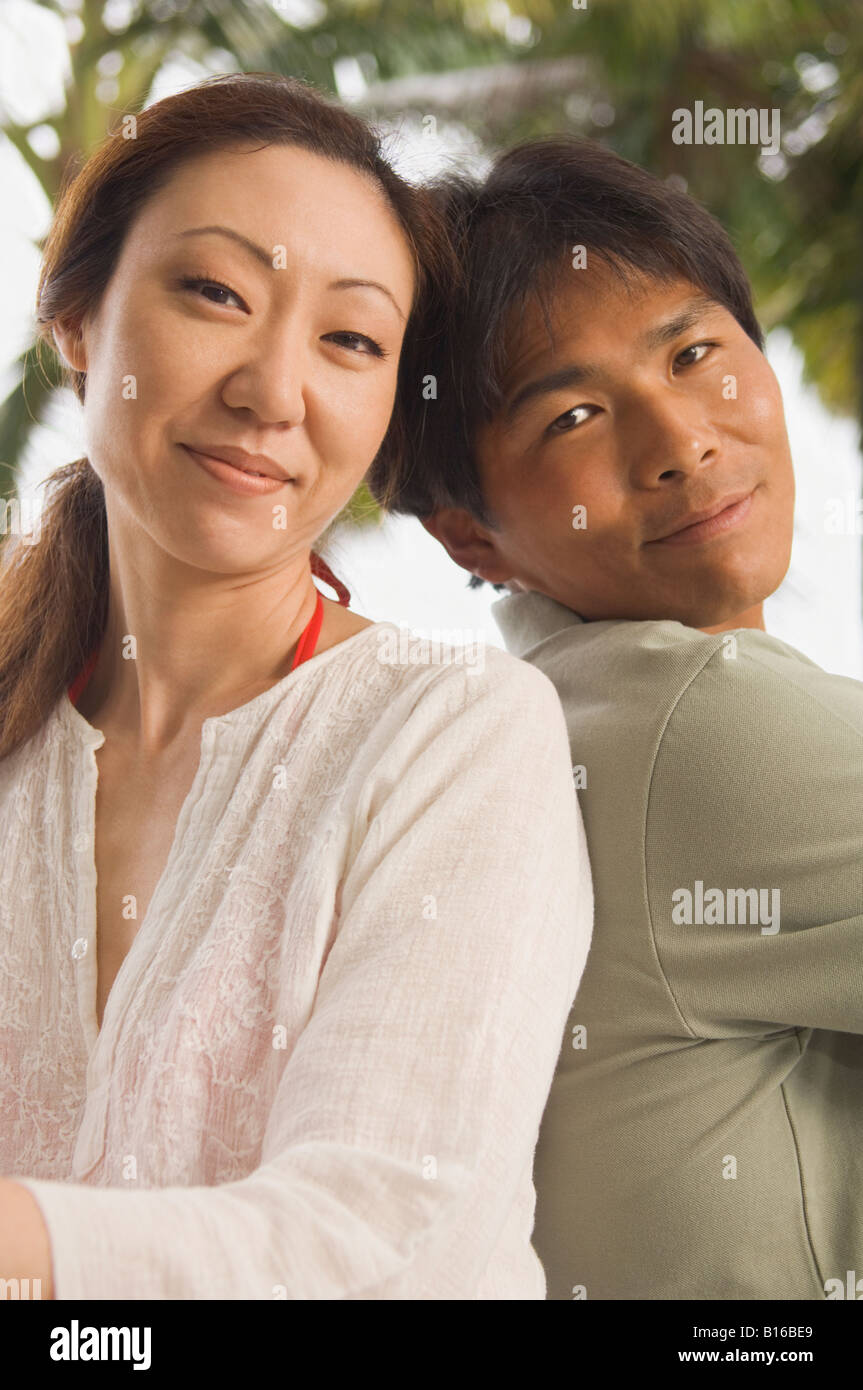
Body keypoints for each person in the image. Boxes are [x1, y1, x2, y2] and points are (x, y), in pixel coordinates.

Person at [0, 79, 593, 1300]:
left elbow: (380, 1235)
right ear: (76, 320)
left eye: (350, 340)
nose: (274, 392)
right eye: (216, 293)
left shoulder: (455, 732)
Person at [369, 136, 863, 1300]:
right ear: (467, 534)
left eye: (693, 352)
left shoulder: (547, 714)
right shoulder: (688, 727)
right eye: (573, 418)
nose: (680, 442)